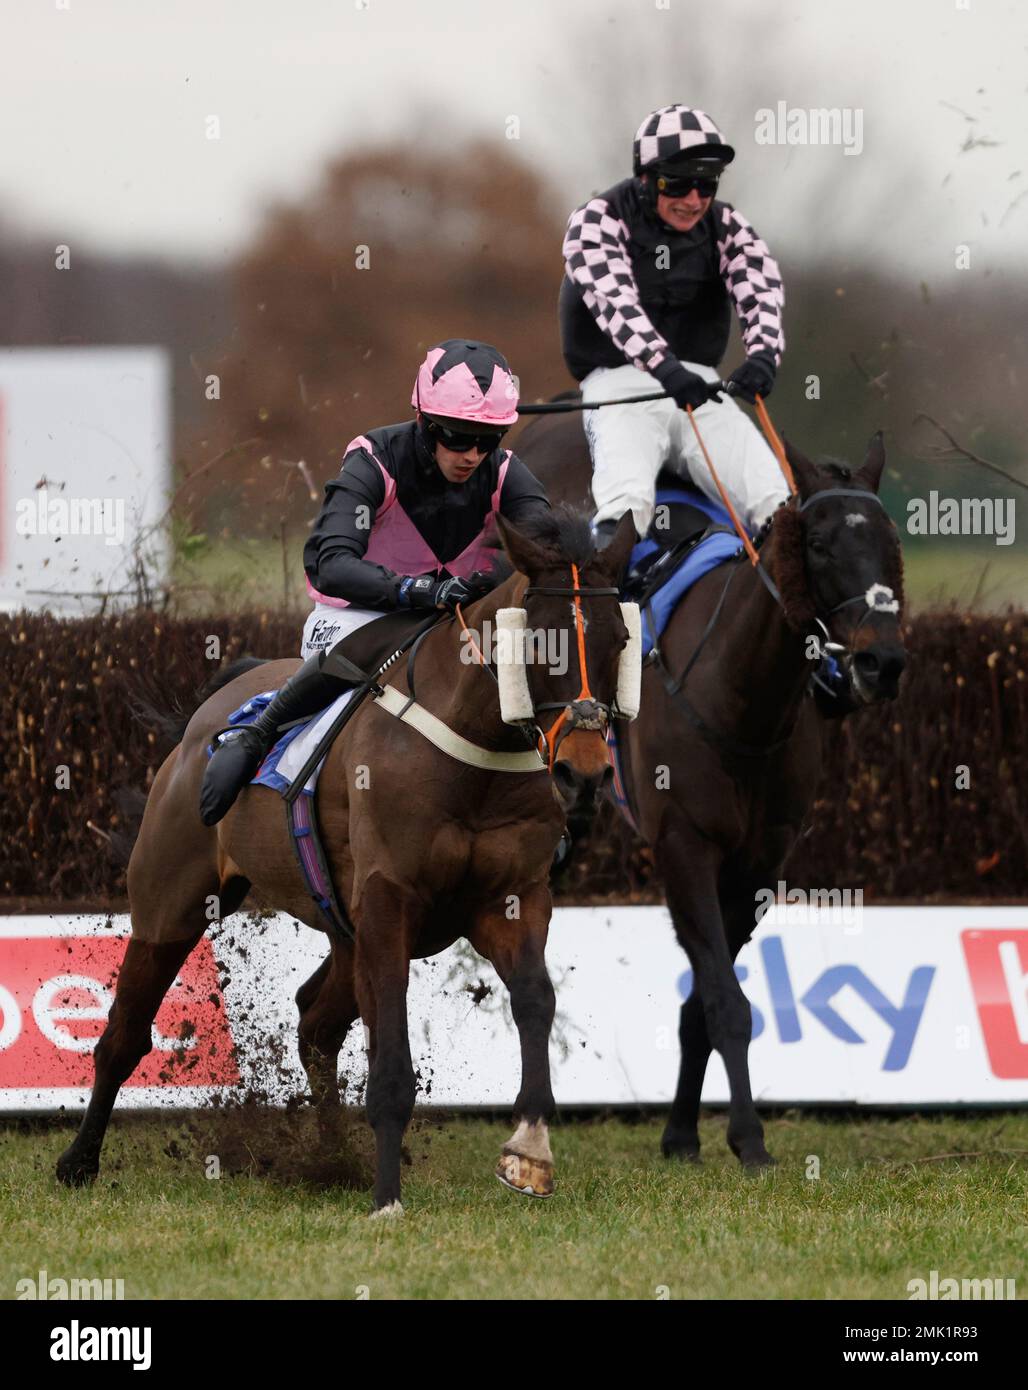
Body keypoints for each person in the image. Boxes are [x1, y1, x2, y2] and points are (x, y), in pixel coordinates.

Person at [199, 339, 550, 826]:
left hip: (453, 623)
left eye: (488, 440)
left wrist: (486, 581)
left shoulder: (507, 473)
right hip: (362, 615)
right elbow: (333, 564)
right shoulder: (373, 460)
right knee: (360, 649)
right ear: (426, 423)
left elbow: (545, 552)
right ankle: (258, 734)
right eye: (458, 436)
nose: (473, 455)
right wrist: (418, 591)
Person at [559, 103, 789, 544]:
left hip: (701, 384)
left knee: (774, 500)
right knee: (626, 502)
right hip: (619, 385)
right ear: (645, 177)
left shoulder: (728, 226)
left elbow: (760, 289)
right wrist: (665, 368)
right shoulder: (595, 221)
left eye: (706, 185)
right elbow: (616, 305)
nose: (694, 200)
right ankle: (601, 594)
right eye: (678, 183)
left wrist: (763, 356)